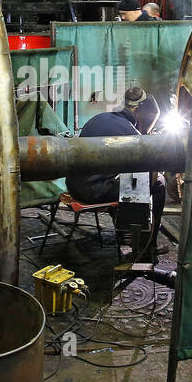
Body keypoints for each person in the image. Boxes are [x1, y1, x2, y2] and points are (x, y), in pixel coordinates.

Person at [66, 86, 167, 259]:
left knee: (126, 181)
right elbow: (145, 173)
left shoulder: (100, 118)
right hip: (93, 191)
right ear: (137, 111)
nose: (148, 127)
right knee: (157, 183)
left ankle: (124, 233)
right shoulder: (130, 132)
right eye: (149, 121)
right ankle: (147, 246)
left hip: (73, 186)